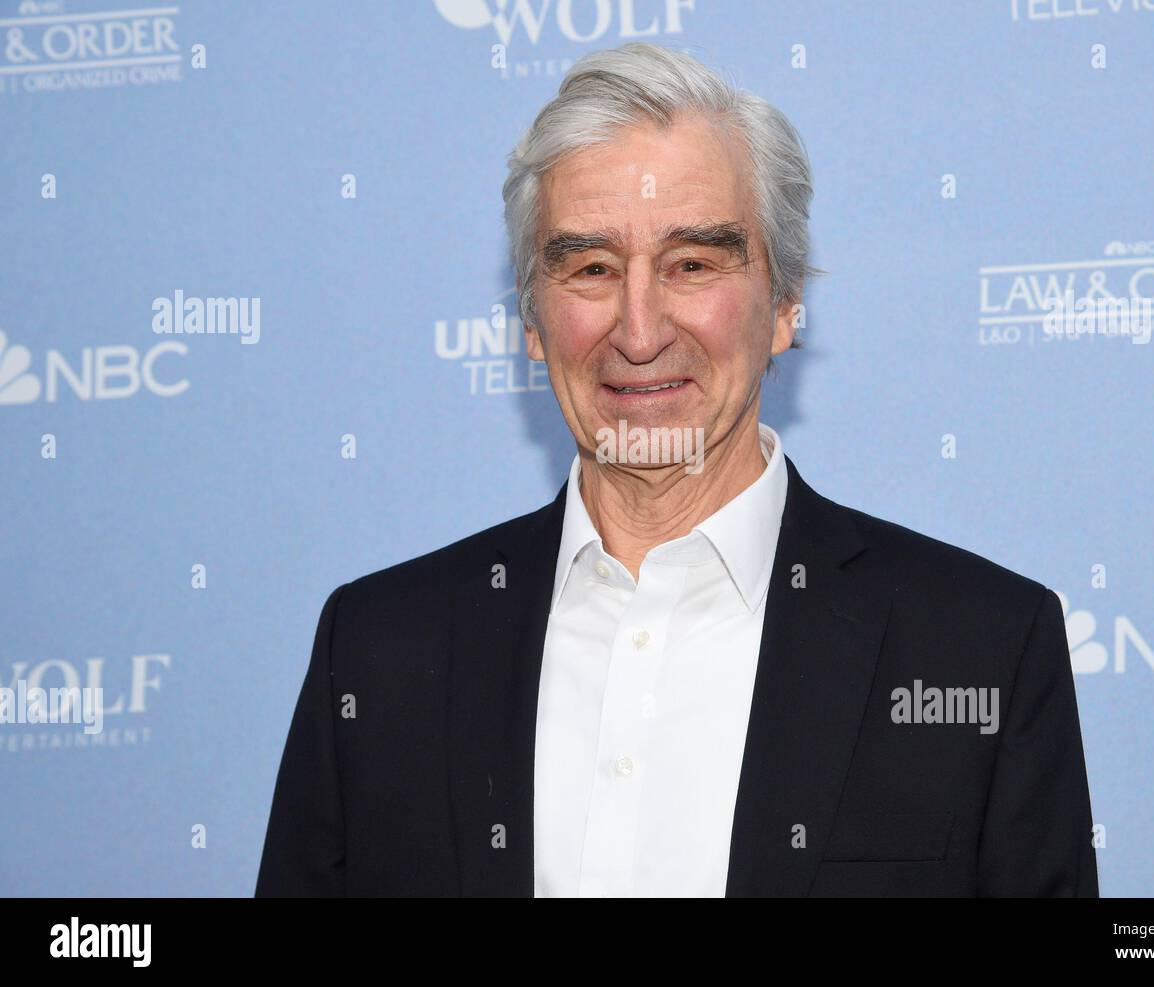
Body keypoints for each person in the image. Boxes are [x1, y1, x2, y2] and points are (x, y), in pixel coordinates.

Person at [255, 42, 1098, 897]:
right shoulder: (375, 652)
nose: (640, 328)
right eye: (590, 268)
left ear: (784, 304)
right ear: (533, 323)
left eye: (693, 264)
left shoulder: (981, 647)